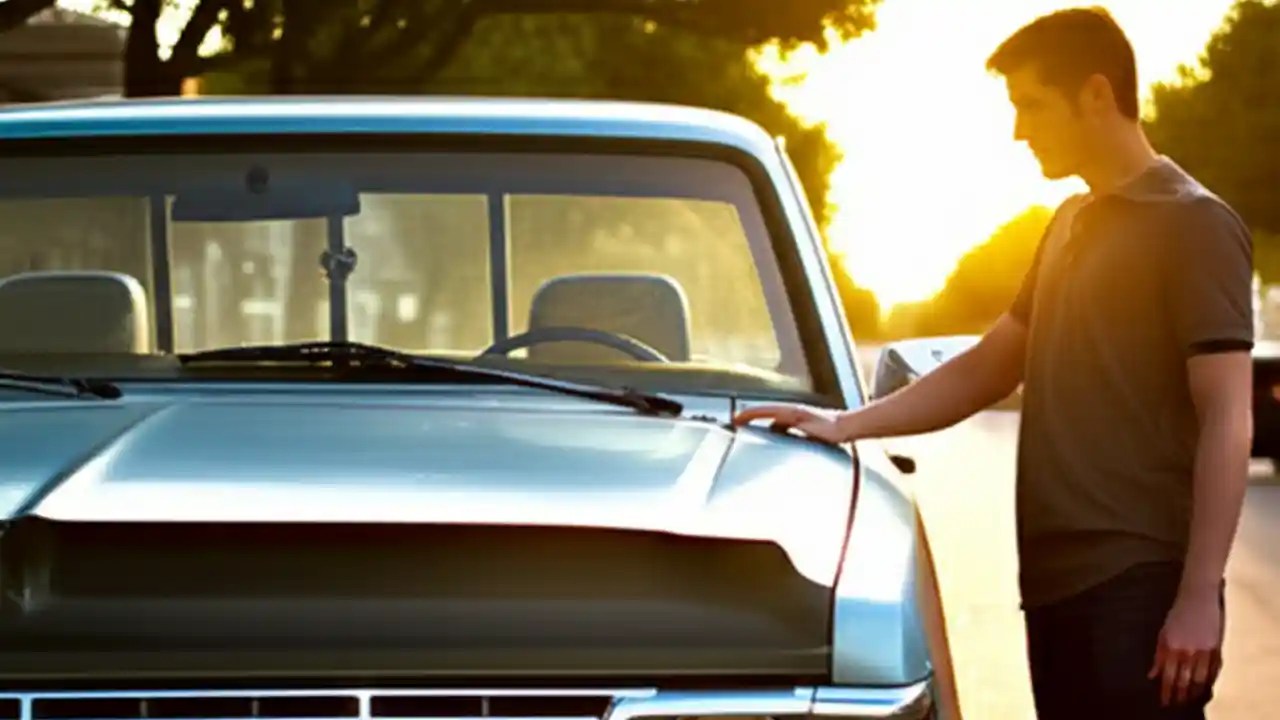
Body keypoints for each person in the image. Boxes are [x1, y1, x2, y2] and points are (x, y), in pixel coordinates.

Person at [733, 7, 1254, 719]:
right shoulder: (1068, 223)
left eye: (1031, 105)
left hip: (1141, 584)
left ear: (1096, 95)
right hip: (1056, 584)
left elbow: (1229, 413)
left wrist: (1198, 596)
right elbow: (988, 367)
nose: (1018, 130)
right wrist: (842, 424)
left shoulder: (1194, 223)